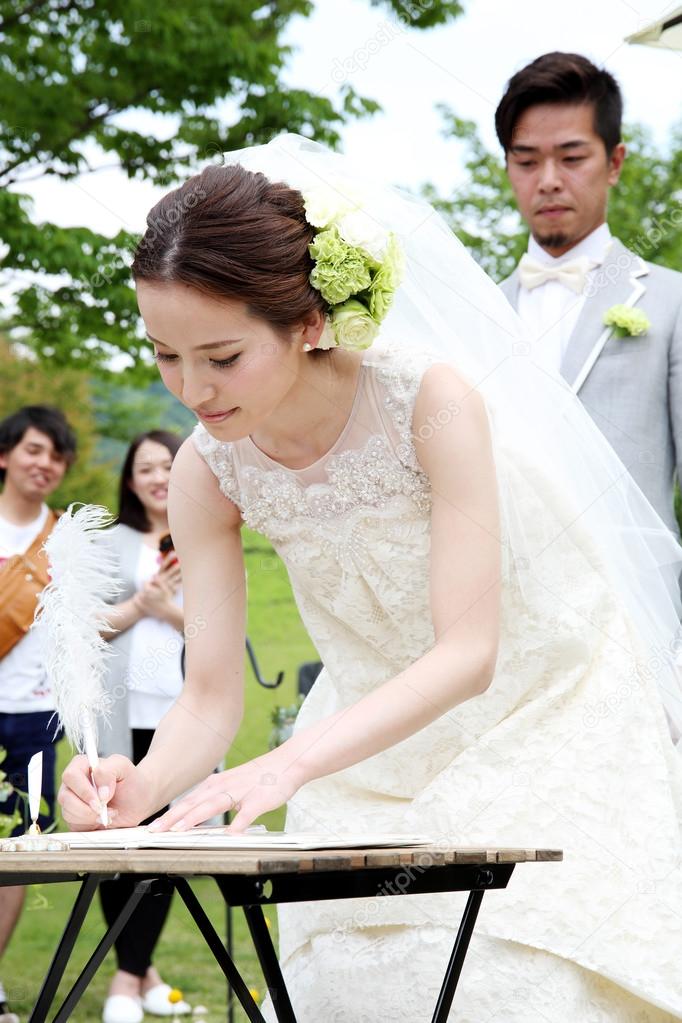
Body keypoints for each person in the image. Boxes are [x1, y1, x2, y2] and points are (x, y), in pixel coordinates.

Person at [59, 135, 682, 1021]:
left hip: (549, 710)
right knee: (350, 991)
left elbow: (469, 651)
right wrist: (142, 785)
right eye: (165, 355)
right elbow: (208, 700)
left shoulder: (431, 402)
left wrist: (286, 766)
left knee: (517, 986)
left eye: (222, 357)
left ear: (310, 322)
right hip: (369, 743)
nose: (191, 389)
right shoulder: (207, 470)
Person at [497, 51, 682, 536]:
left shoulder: (672, 301)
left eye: (573, 158)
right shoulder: (479, 310)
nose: (550, 180)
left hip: (639, 600)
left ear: (615, 162)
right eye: (527, 161)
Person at [96, 431, 192, 1023]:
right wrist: (142, 605)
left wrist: (170, 610)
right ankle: (139, 975)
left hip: (181, 718)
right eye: (146, 468)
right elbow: (87, 627)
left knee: (166, 843)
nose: (159, 477)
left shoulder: (207, 537)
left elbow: (225, 632)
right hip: (118, 713)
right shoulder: (111, 544)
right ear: (131, 482)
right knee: (115, 845)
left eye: (169, 465)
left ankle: (127, 978)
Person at [0, 405, 76, 1023]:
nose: (43, 464)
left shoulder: (66, 542)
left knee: (18, 850)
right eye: (33, 450)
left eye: (55, 456)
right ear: (4, 455)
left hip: (35, 716)